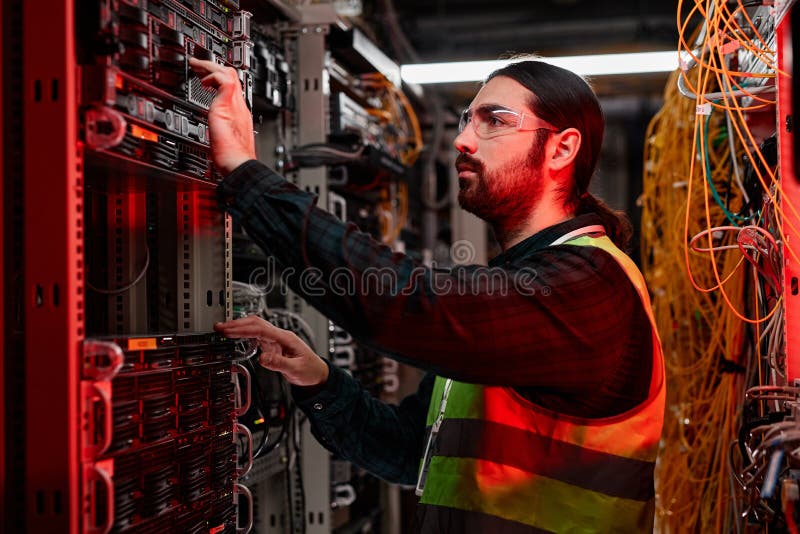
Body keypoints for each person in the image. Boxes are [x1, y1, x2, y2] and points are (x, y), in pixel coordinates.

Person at [190, 56, 665, 533]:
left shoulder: (591, 284)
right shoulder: (524, 287)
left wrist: (246, 173)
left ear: (561, 149)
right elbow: (409, 452)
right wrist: (318, 380)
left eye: (495, 121)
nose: (462, 140)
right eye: (466, 120)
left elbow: (408, 304)